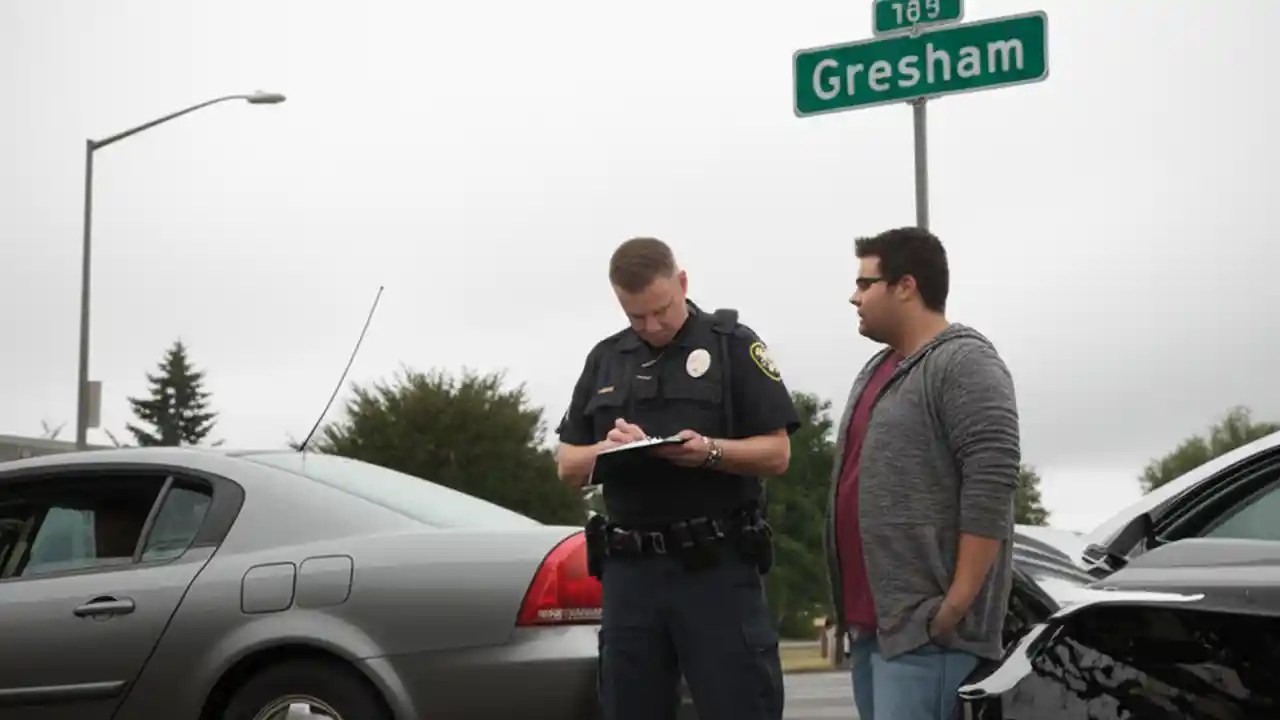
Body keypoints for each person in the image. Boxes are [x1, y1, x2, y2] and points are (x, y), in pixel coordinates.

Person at [555, 237, 801, 720]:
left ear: (682, 283)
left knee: (739, 704)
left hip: (714, 567)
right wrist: (609, 450)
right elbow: (567, 463)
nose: (651, 326)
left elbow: (777, 452)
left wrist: (708, 452)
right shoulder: (607, 358)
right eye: (635, 317)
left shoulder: (732, 345)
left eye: (661, 310)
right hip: (631, 575)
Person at [823, 227, 1020, 720]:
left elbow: (992, 483)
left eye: (866, 283)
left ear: (906, 286)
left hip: (929, 636)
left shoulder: (966, 361)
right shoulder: (876, 369)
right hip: (876, 629)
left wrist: (954, 607)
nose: (855, 296)